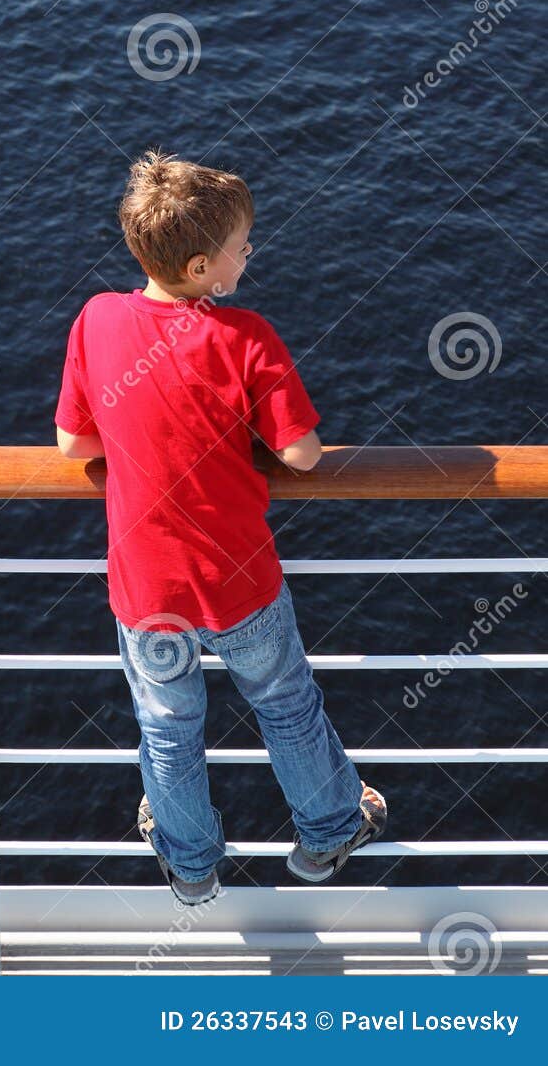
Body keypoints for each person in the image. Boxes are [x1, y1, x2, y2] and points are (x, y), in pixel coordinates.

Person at [54, 149, 386, 906]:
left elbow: (75, 445)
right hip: (239, 580)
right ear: (204, 267)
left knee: (168, 728)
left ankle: (192, 863)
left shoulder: (98, 319)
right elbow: (301, 455)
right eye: (242, 247)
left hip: (147, 588)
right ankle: (327, 837)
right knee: (285, 707)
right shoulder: (246, 338)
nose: (250, 254)